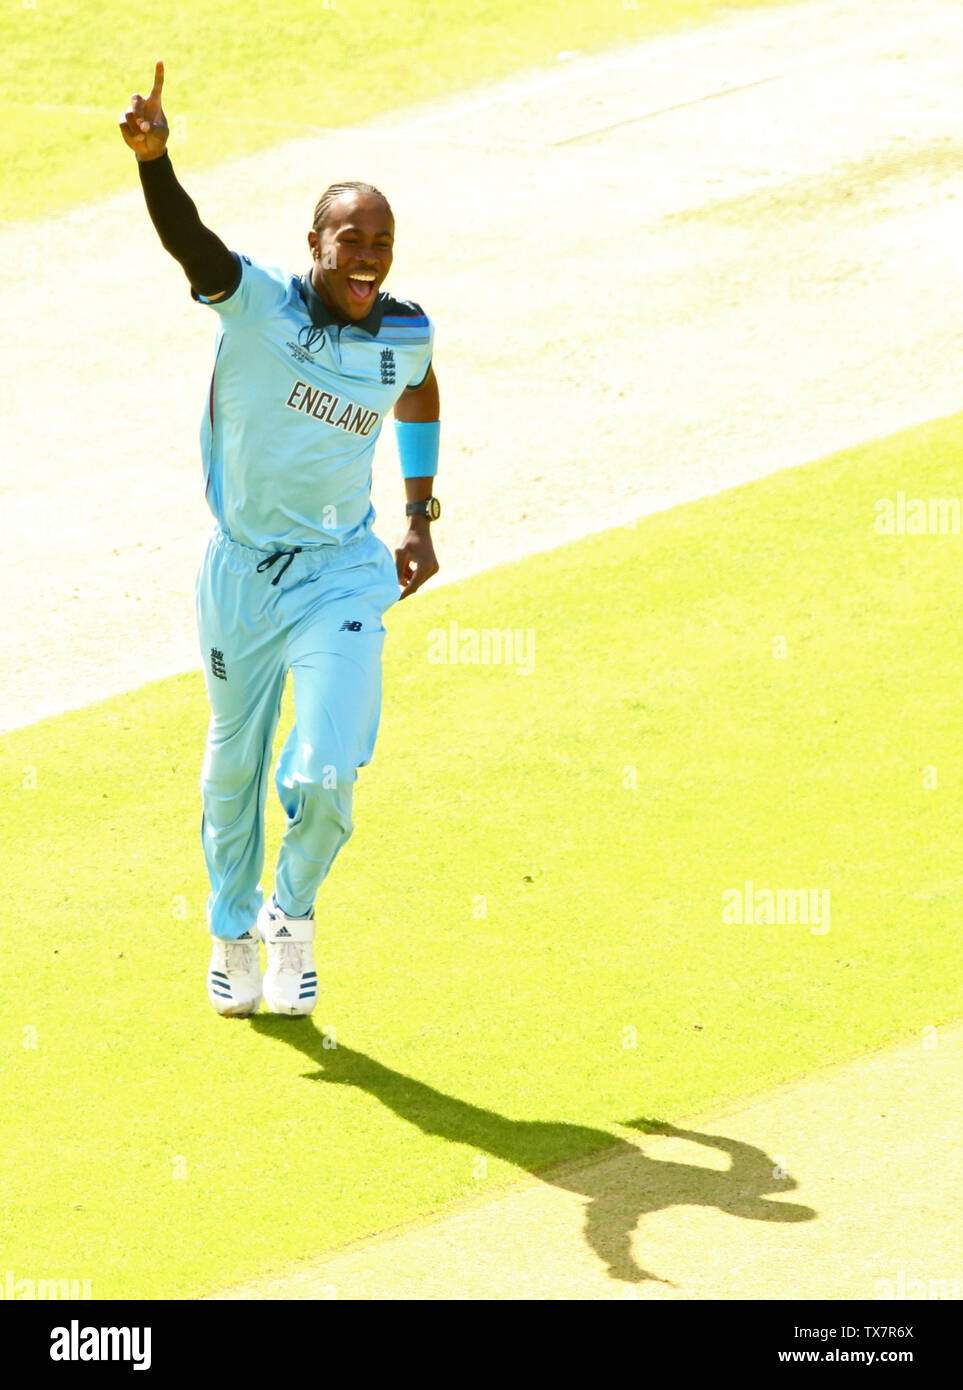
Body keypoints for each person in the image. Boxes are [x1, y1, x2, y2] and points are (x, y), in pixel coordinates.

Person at [119, 61, 442, 1018]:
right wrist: (154, 161)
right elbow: (194, 245)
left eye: (381, 243)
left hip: (343, 573)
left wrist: (420, 513)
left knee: (327, 769)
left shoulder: (405, 332)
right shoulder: (257, 304)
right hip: (240, 576)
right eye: (352, 240)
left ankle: (287, 917)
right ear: (316, 242)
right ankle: (229, 931)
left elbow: (418, 387)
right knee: (235, 763)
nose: (368, 257)